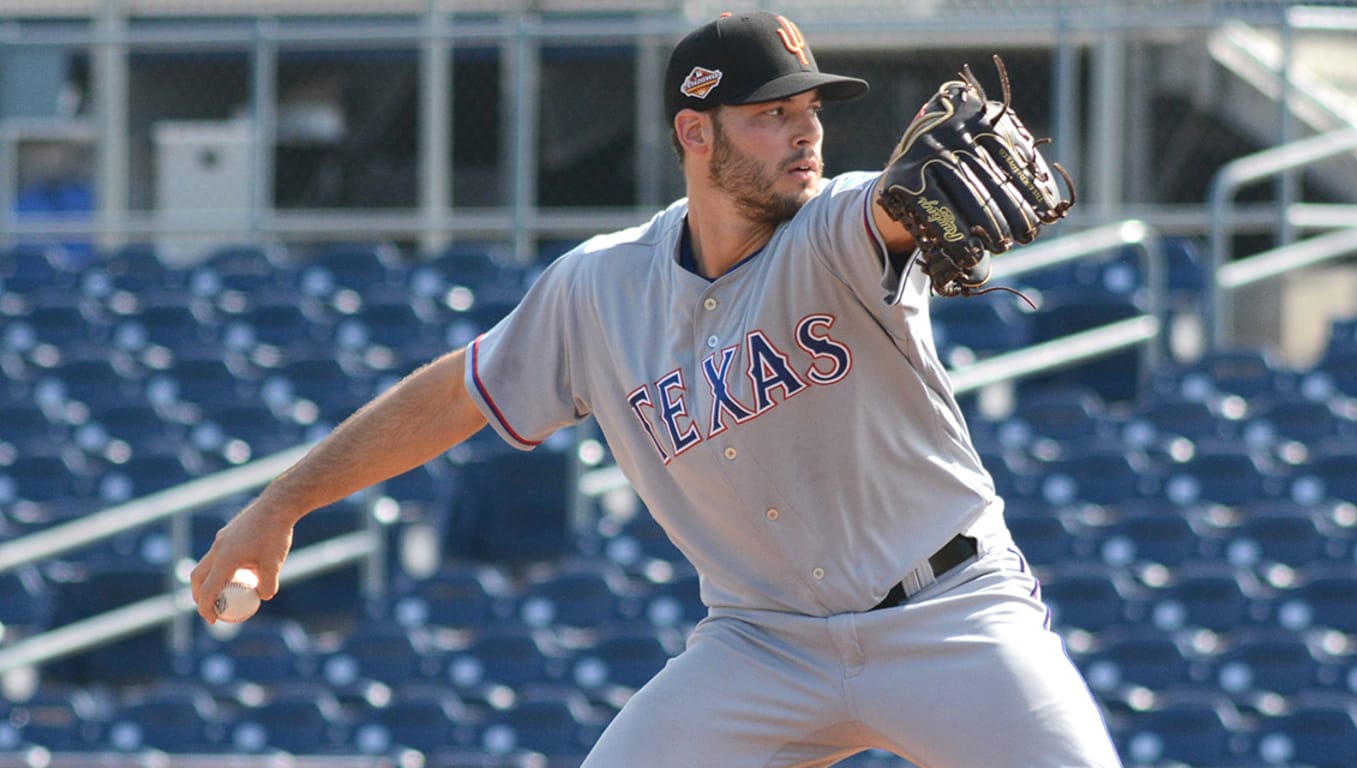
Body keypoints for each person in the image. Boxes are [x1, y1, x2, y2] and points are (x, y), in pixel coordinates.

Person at [192, 11, 1122, 767]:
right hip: (762, 645)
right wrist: (283, 504)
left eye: (812, 109)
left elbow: (884, 207)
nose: (804, 129)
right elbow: (454, 395)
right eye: (770, 113)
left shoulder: (835, 229)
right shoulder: (599, 288)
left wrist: (901, 200)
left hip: (948, 618)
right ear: (694, 131)